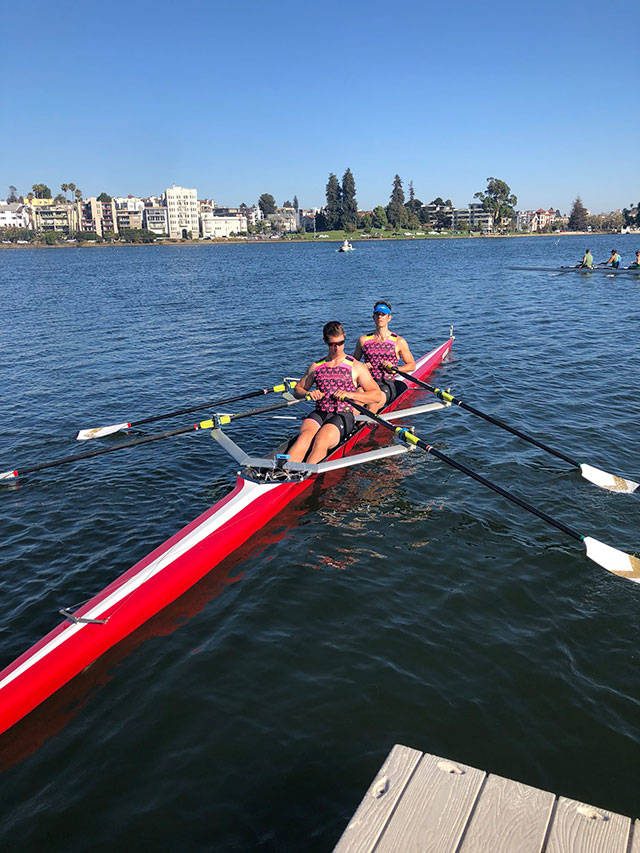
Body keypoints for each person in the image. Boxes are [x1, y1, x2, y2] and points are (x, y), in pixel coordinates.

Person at [288, 321, 381, 464]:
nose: (337, 348)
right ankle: (283, 473)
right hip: (320, 412)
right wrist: (308, 394)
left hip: (343, 415)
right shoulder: (316, 366)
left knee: (321, 441)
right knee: (304, 437)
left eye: (341, 343)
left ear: (344, 338)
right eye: (332, 344)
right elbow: (297, 390)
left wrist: (350, 395)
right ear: (325, 341)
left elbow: (376, 395)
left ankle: (304, 477)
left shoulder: (356, 366)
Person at [354, 301, 416, 413]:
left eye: (383, 314)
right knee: (357, 398)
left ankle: (364, 424)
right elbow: (353, 365)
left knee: (373, 402)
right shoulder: (363, 340)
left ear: (389, 318)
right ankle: (352, 425)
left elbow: (411, 365)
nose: (380, 317)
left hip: (387, 383)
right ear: (373, 317)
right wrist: (362, 367)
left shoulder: (398, 341)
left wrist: (395, 369)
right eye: (377, 314)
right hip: (367, 382)